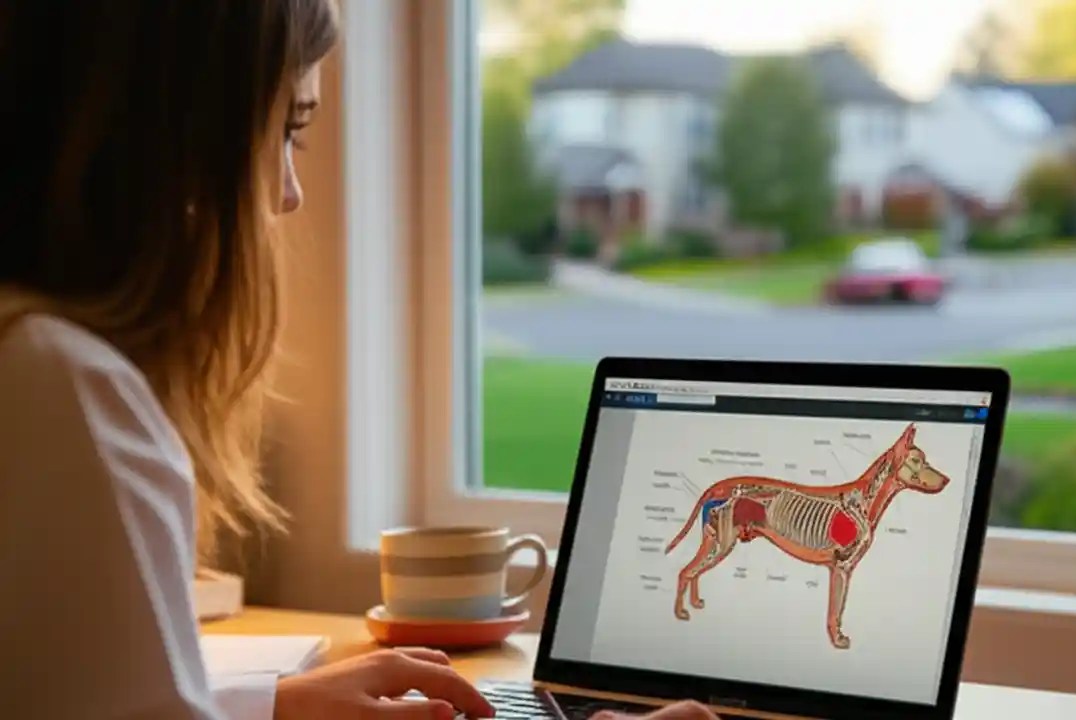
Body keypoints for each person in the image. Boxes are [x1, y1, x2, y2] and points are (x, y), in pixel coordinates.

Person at [0, 2, 717, 719]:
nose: (288, 192)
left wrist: (269, 706)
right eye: (288, 130)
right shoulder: (60, 390)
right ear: (173, 137)